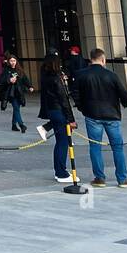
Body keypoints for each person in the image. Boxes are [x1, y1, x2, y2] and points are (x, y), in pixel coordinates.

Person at [75, 48, 127, 187]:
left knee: (95, 147)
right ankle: (122, 179)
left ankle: (100, 178)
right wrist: (124, 104)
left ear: (90, 59)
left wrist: (83, 108)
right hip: (112, 115)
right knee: (118, 148)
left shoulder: (81, 75)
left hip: (92, 115)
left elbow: (75, 94)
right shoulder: (111, 75)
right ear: (103, 59)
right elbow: (124, 96)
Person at [34, 52, 77, 183]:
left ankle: (59, 171)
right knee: (62, 142)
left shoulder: (45, 77)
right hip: (59, 110)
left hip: (52, 110)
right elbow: (64, 99)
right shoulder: (56, 78)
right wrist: (71, 119)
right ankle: (61, 173)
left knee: (60, 142)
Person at [0, 54, 31, 134]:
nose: (13, 62)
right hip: (11, 92)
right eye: (11, 61)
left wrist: (30, 86)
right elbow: (2, 80)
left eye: (14, 61)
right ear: (9, 62)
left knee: (16, 108)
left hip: (19, 92)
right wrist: (9, 80)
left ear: (16, 61)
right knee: (16, 108)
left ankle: (14, 125)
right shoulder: (6, 70)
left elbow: (25, 79)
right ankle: (21, 125)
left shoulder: (19, 70)